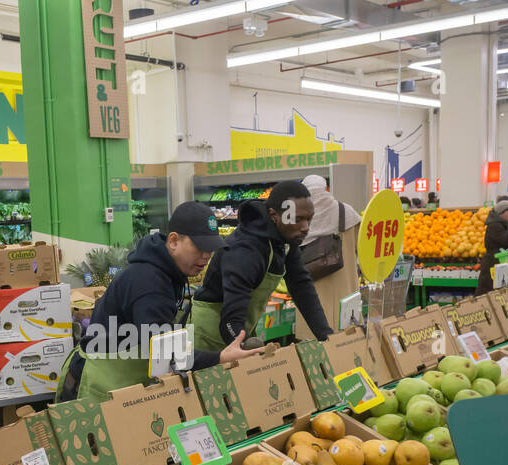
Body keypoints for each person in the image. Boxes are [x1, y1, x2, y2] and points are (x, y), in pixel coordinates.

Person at [58, 202, 263, 403]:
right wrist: (219, 358)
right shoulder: (148, 282)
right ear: (174, 241)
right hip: (100, 383)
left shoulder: (169, 274)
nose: (206, 256)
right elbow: (164, 352)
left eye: (210, 249)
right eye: (199, 247)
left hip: (124, 376)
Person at [191, 180, 333, 353]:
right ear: (274, 215)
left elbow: (301, 286)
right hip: (209, 336)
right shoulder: (244, 251)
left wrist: (326, 337)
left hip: (240, 328)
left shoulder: (285, 240)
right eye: (298, 219)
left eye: (309, 219)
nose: (305, 228)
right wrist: (243, 347)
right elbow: (231, 316)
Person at [298, 173, 358, 339]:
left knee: (314, 346)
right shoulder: (346, 211)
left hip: (311, 294)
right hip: (344, 291)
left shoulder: (298, 217)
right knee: (346, 343)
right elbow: (360, 247)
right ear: (326, 189)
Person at [476, 196, 508, 295]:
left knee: (497, 293)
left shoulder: (501, 224)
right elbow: (504, 240)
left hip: (497, 264)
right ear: (501, 213)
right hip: (493, 265)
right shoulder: (495, 226)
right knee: (489, 294)